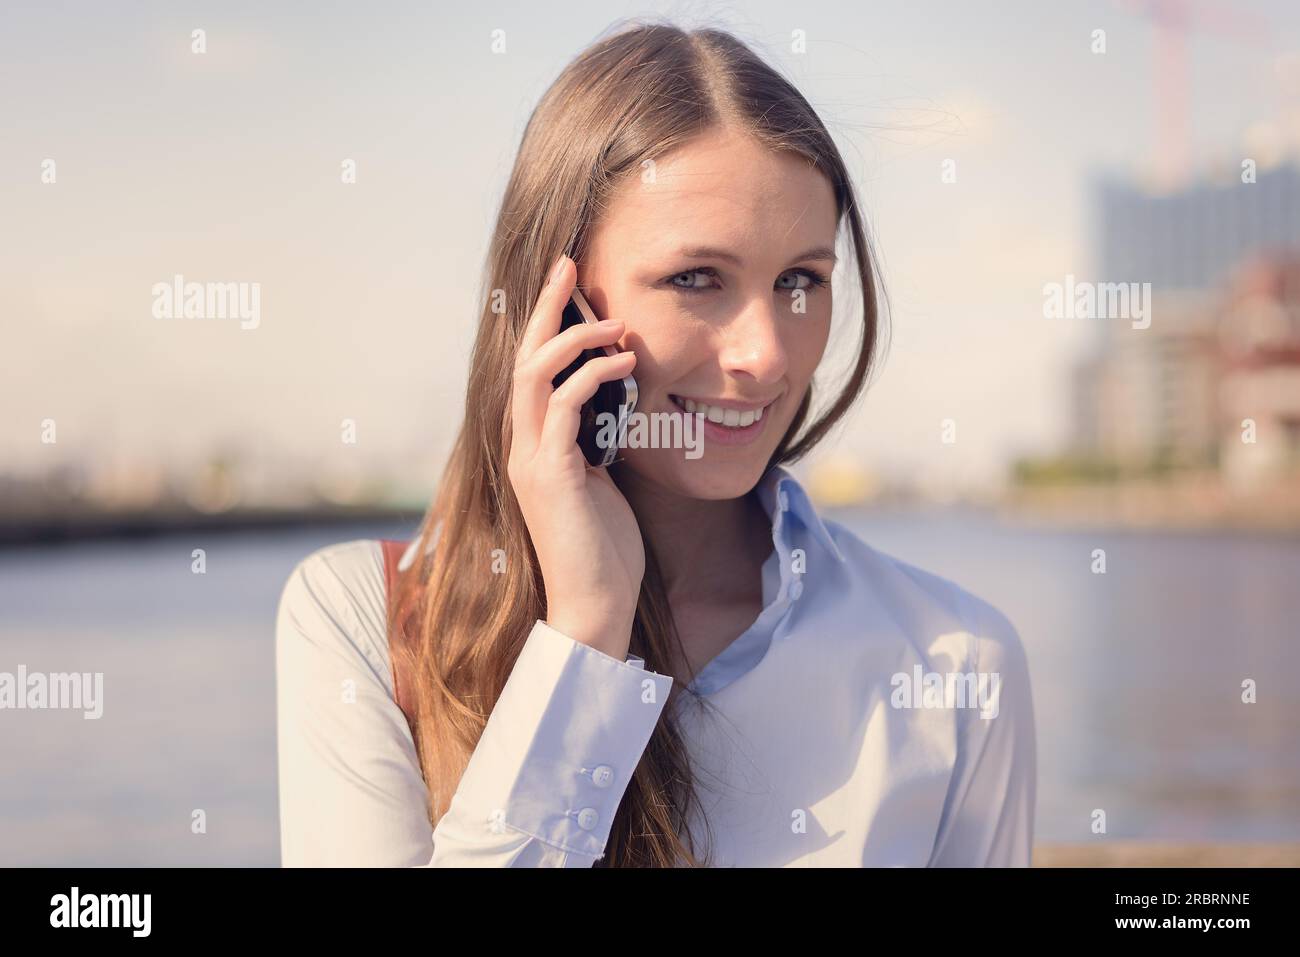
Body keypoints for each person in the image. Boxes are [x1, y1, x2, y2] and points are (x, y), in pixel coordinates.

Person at [275, 20, 1036, 867]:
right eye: (696, 278)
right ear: (555, 303)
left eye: (799, 281)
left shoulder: (956, 662)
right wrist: (584, 634)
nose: (766, 355)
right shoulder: (362, 623)